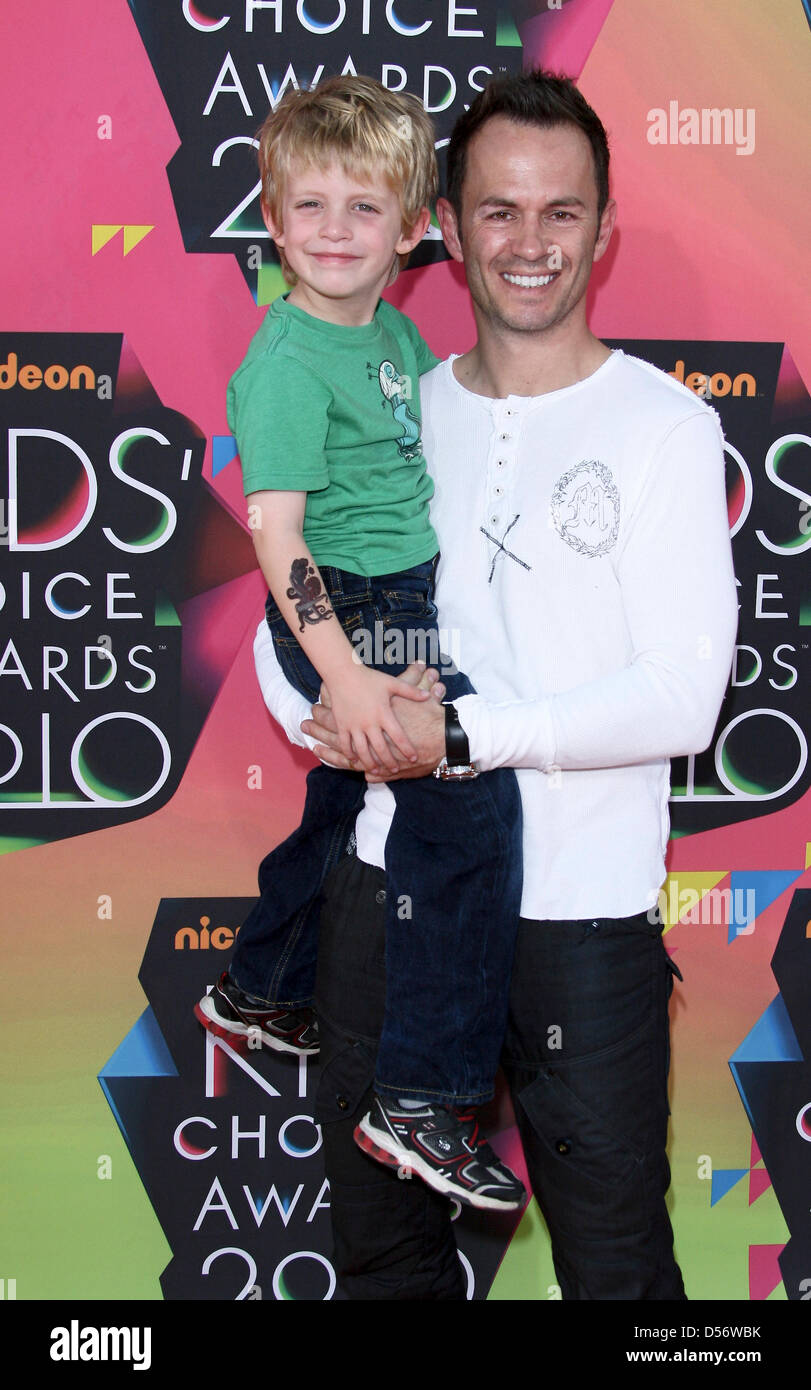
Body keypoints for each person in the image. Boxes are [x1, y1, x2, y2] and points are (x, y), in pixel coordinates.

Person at [254, 70, 739, 1299]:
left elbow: (684, 698)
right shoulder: (387, 404)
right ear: (448, 229)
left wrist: (459, 737)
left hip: (582, 920)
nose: (529, 244)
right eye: (499, 211)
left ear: (603, 228)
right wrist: (348, 719)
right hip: (387, 902)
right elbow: (286, 616)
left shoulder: (665, 427)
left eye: (560, 213)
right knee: (384, 1261)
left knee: (620, 1269)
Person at [195, 76, 527, 1213]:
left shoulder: (386, 330)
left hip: (399, 602)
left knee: (347, 807)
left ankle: (259, 985)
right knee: (470, 817)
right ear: (272, 220)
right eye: (312, 207)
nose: (336, 231)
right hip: (342, 607)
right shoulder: (287, 361)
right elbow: (275, 529)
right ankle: (423, 1096)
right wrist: (344, 670)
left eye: (364, 209)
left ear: (412, 228)